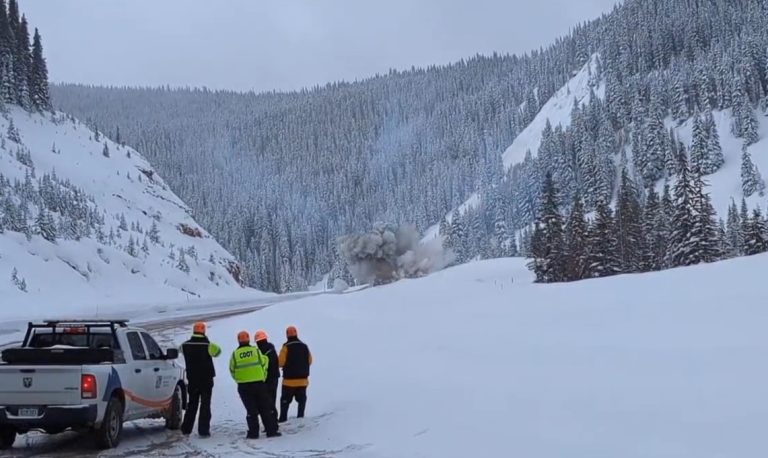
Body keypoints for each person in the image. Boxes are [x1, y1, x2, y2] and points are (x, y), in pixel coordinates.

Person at [229, 330, 281, 439]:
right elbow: (265, 361)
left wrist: (239, 379)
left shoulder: (235, 354)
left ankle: (253, 433)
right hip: (259, 384)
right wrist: (263, 375)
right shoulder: (256, 351)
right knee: (265, 408)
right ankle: (271, 431)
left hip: (244, 386)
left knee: (251, 410)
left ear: (238, 341)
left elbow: (232, 370)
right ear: (248, 339)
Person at [180, 322, 222, 437]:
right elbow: (218, 352)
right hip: (206, 379)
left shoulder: (185, 345)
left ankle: (186, 428)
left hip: (192, 379)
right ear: (204, 331)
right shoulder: (208, 345)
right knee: (205, 404)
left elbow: (179, 350)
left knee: (192, 404)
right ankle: (203, 430)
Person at [278, 325, 313, 423]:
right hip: (303, 381)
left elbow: (280, 362)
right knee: (301, 400)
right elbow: (310, 360)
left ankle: (282, 419)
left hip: (288, 382)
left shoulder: (286, 347)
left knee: (285, 401)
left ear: (287, 335)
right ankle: (300, 417)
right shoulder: (304, 346)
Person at [255, 330, 280, 424]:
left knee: (266, 402)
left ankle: (271, 421)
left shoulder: (259, 352)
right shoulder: (271, 348)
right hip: (274, 378)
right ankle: (273, 420)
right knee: (271, 399)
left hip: (265, 379)